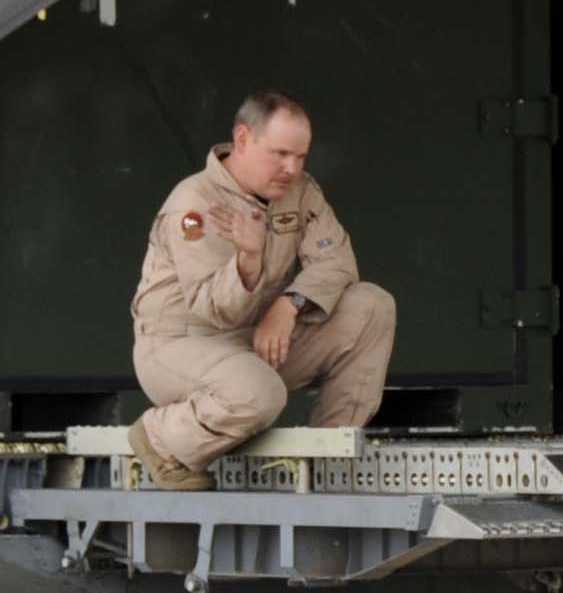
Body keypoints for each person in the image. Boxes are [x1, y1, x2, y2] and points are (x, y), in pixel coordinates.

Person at [126, 91, 396, 491]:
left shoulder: (299, 190)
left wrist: (289, 305)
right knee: (259, 393)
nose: (291, 168)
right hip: (179, 345)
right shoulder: (195, 204)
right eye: (280, 154)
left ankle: (332, 456)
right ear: (242, 139)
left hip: (256, 338)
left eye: (301, 157)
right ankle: (161, 438)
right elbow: (215, 311)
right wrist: (248, 261)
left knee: (371, 305)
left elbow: (338, 263)